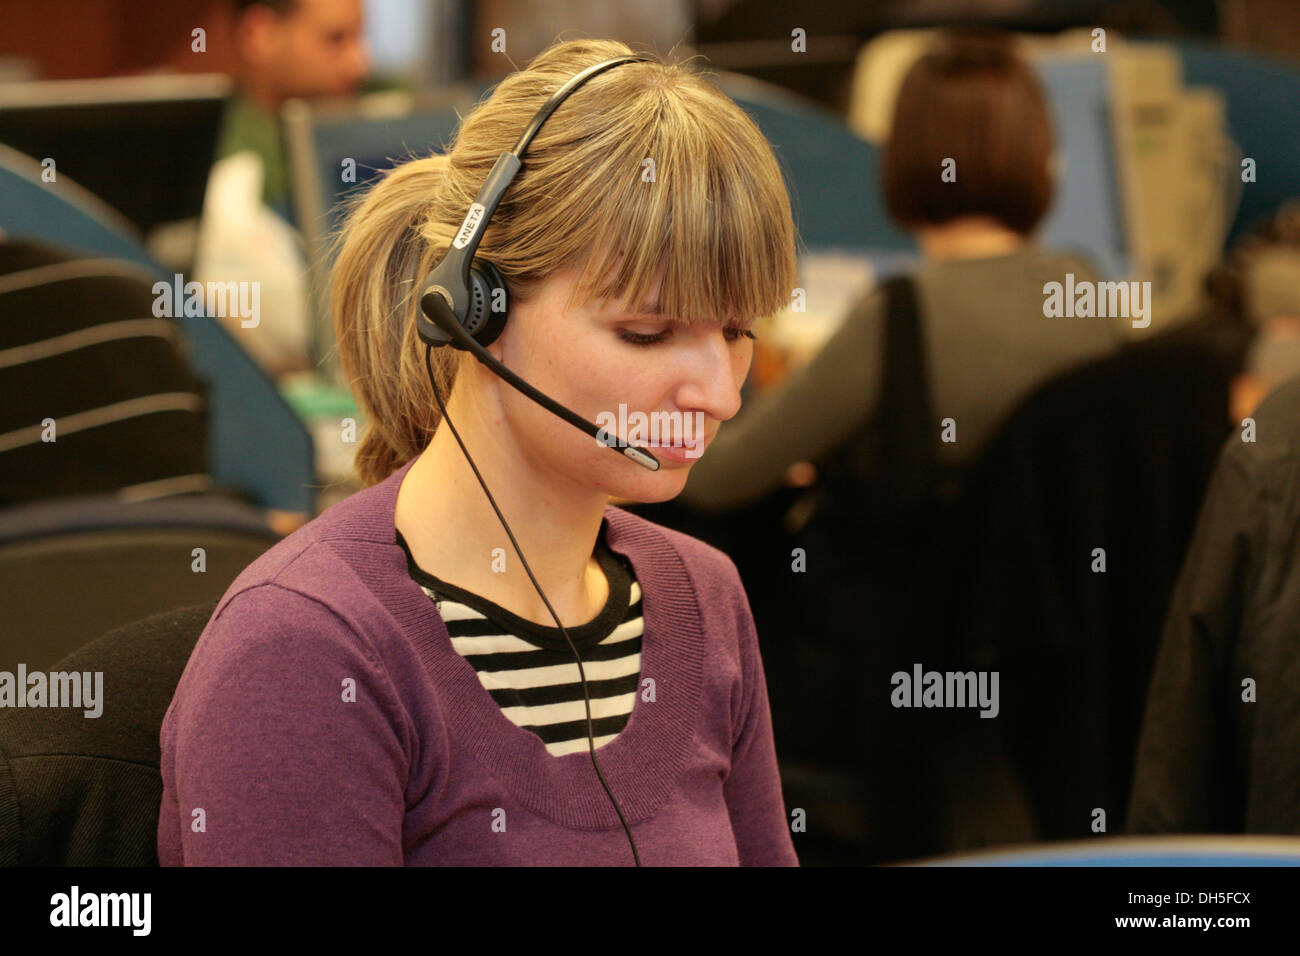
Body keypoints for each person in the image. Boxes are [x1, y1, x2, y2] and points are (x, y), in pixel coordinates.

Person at [158, 38, 800, 866]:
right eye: (648, 333)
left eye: (739, 330)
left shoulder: (704, 601)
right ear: (476, 307)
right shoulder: (304, 654)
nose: (719, 394)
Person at [678, 28, 1125, 513]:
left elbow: (720, 478)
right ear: (1040, 156)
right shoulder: (1084, 286)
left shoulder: (898, 319)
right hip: (1046, 582)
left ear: (902, 156)